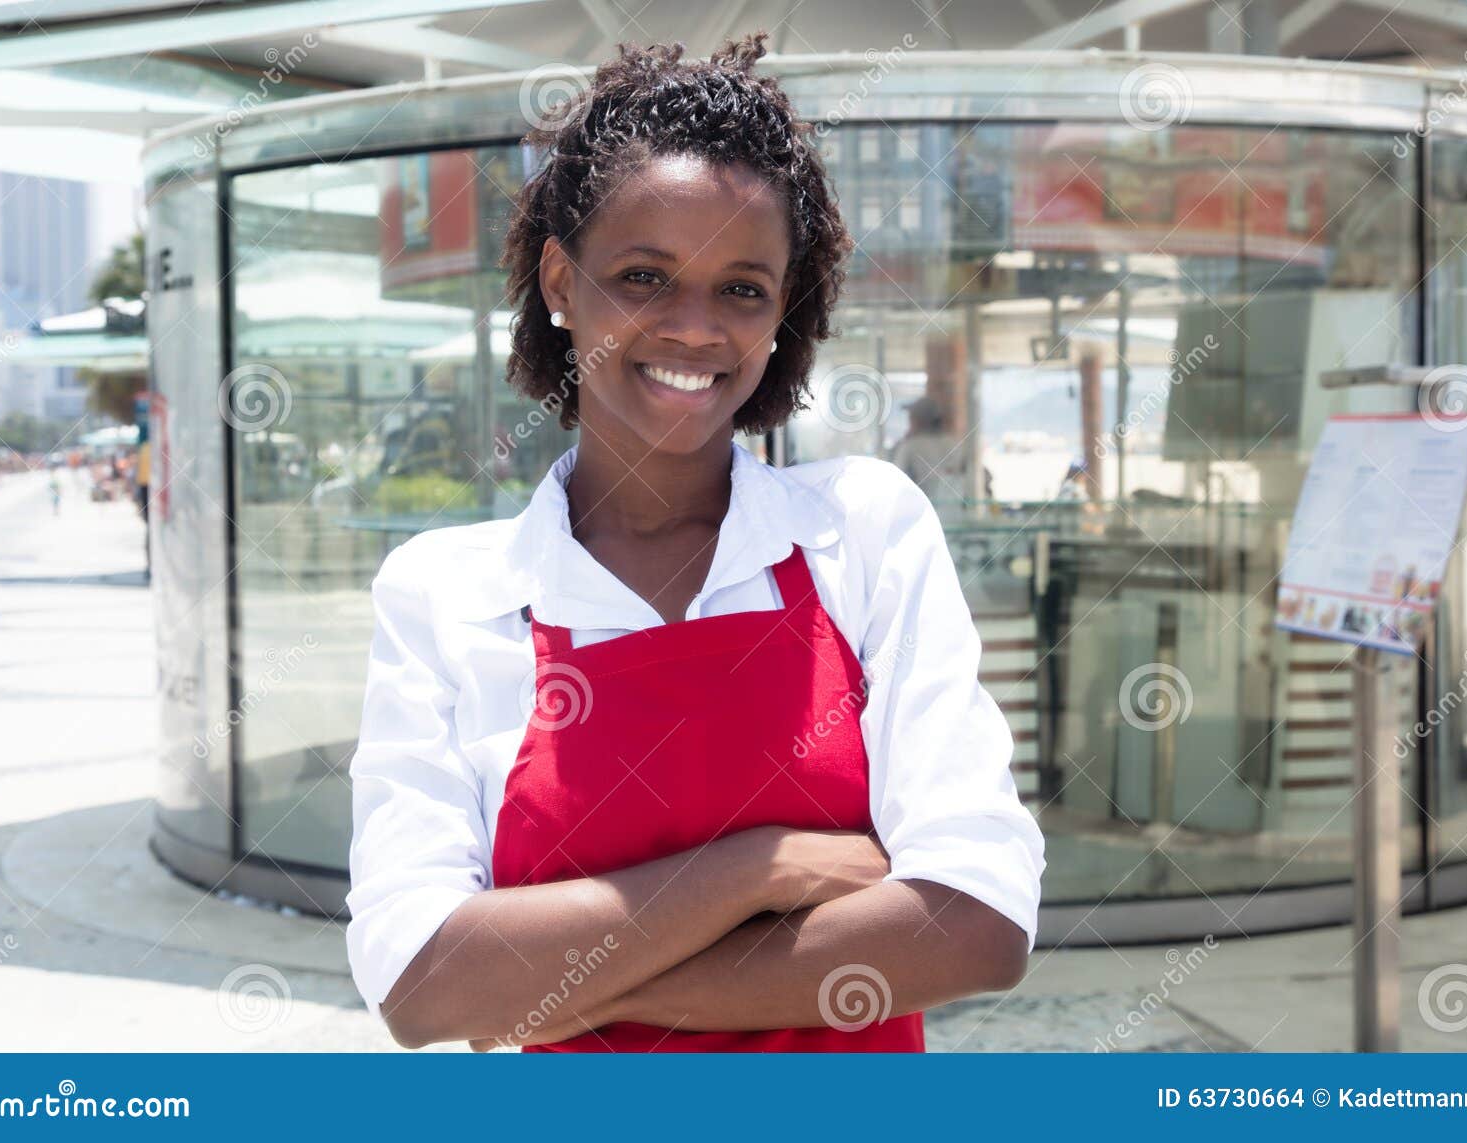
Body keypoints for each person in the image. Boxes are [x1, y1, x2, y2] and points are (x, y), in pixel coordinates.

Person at [345, 33, 1045, 1055]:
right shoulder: (448, 595)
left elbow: (975, 925)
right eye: (642, 275)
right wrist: (756, 870)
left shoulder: (862, 532)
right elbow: (423, 988)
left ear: (780, 316)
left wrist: (557, 987)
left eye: (742, 288)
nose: (693, 328)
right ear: (558, 280)